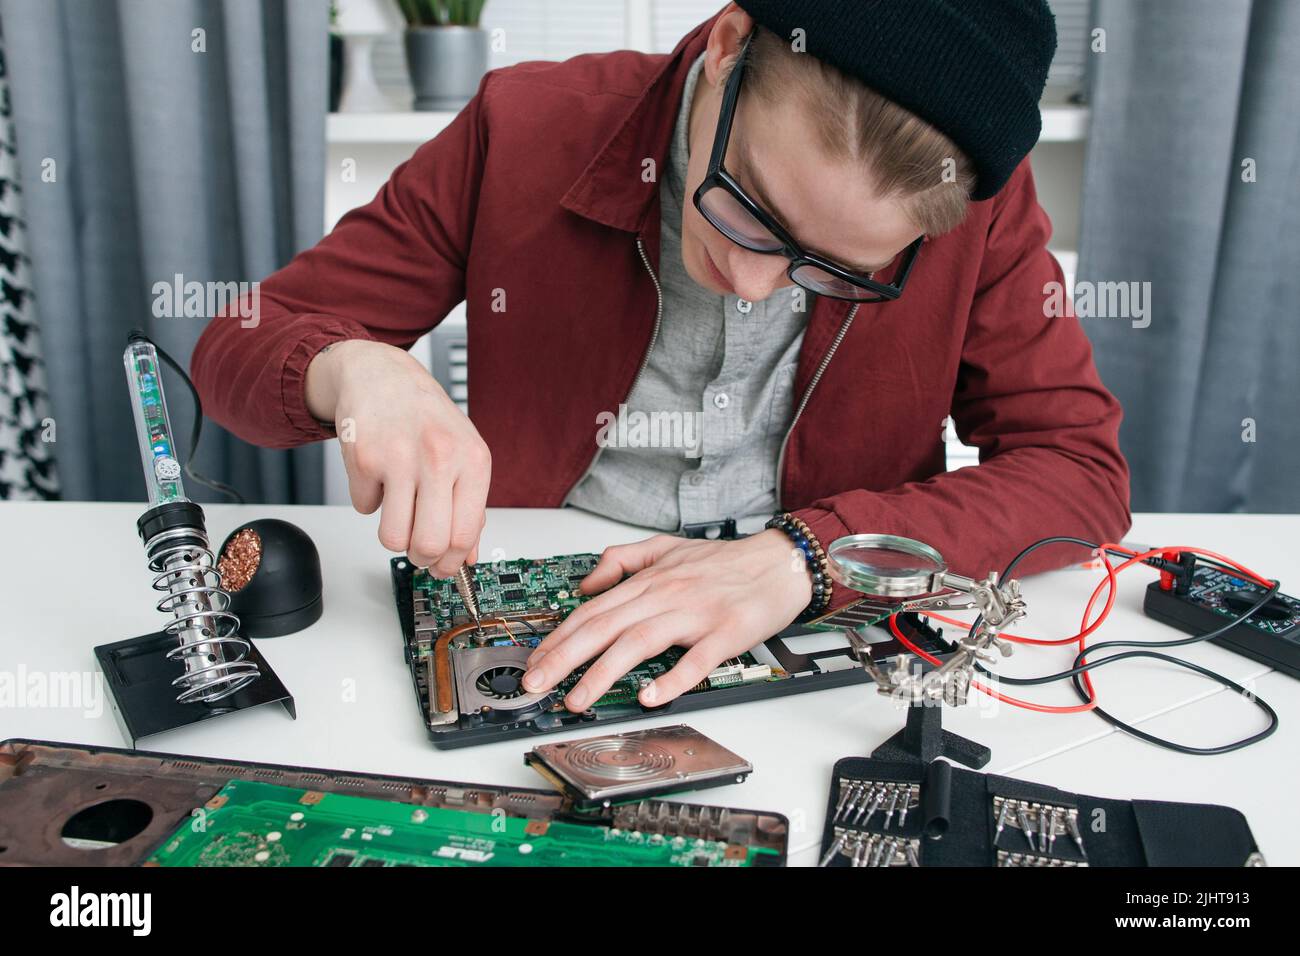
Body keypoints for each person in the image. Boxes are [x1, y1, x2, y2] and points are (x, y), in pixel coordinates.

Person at [193, 1, 1130, 713]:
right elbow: (239, 342)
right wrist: (350, 368)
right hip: (535, 605)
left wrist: (809, 557)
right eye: (750, 209)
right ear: (729, 46)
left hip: (830, 649)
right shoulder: (527, 125)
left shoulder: (976, 211)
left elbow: (1079, 470)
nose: (758, 285)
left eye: (838, 270)